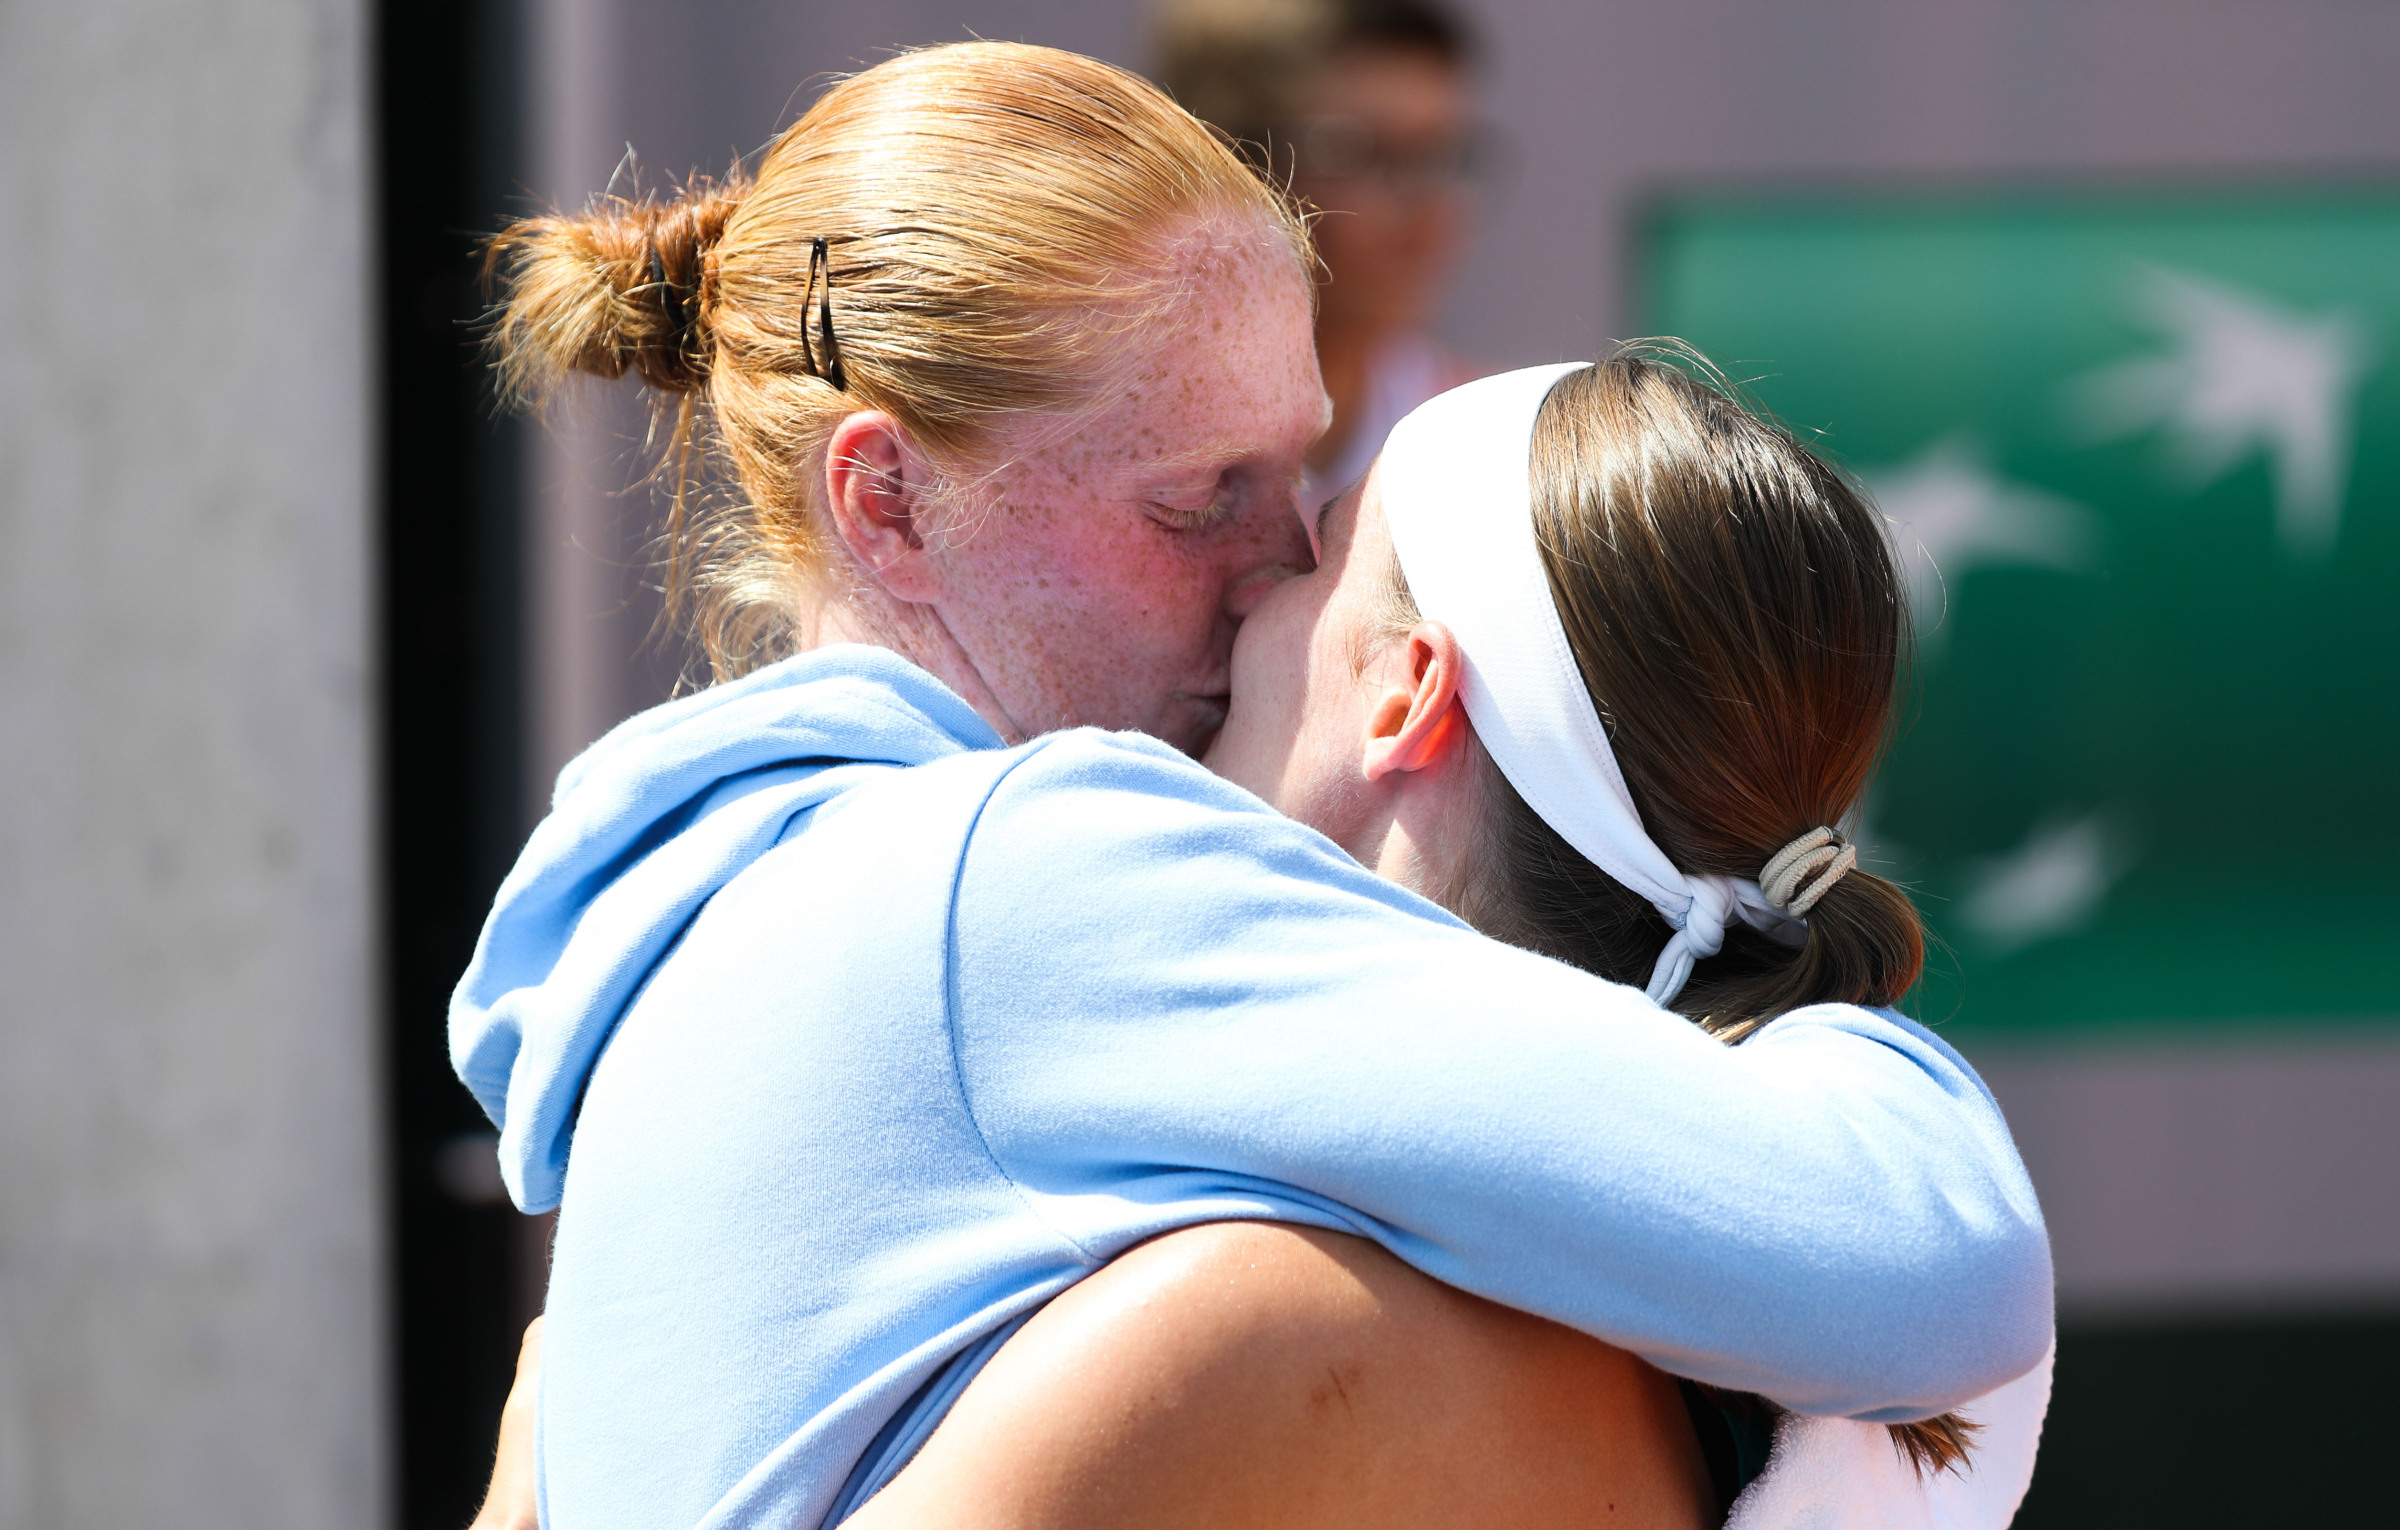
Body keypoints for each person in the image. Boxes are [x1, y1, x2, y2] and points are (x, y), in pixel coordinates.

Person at [456, 41, 2049, 1530]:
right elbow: (1938, 1266)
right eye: (1199, 494)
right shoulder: (1034, 871)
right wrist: (1803, 937)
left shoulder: (732, 908)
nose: (1290, 556)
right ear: (890, 505)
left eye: (1302, 463)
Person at [1155, 0, 1490, 503]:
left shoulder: (1484, 441)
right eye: (1356, 152)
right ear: (1230, 160)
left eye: (1439, 156)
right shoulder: (1139, 435)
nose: (1427, 205)